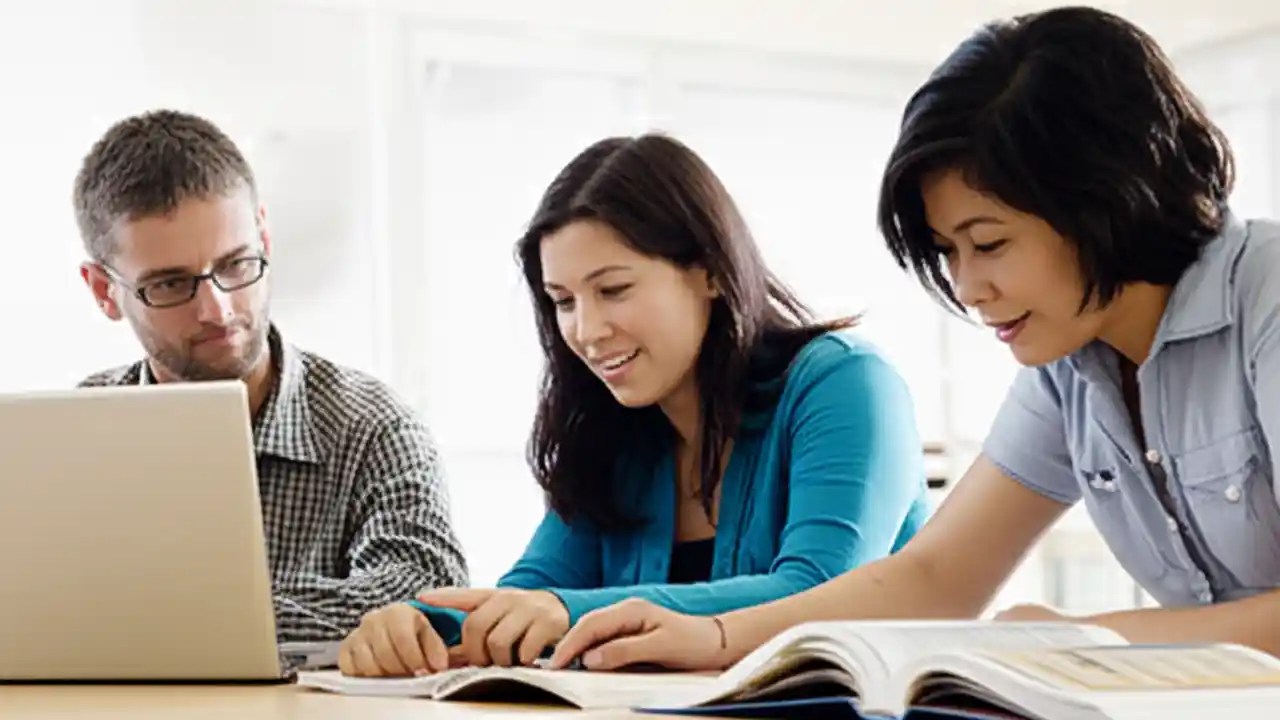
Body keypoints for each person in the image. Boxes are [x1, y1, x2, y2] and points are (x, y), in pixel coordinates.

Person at [546, 6, 1280, 672]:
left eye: (987, 244)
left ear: (1109, 203)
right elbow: (934, 579)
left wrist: (1082, 639)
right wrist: (712, 638)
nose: (965, 287)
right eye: (947, 252)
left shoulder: (1267, 298)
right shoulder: (1070, 368)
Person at [336, 133, 932, 677]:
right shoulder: (619, 435)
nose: (586, 330)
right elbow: (531, 595)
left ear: (709, 272)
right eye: (562, 301)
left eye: (613, 290)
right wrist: (417, 626)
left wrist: (560, 612)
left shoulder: (849, 383)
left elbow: (818, 591)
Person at [73, 109, 469, 642]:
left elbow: (429, 595)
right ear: (103, 291)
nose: (218, 309)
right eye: (170, 284)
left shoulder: (374, 427)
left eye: (237, 264)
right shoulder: (77, 430)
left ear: (264, 234)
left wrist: (179, 624)